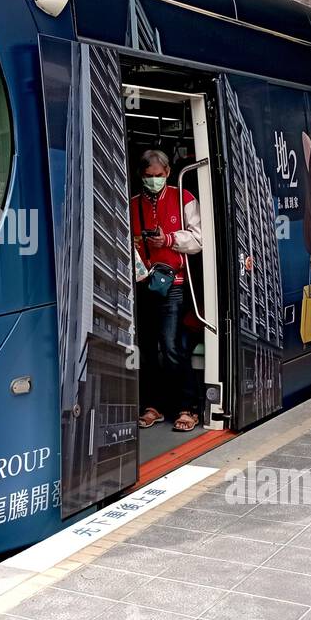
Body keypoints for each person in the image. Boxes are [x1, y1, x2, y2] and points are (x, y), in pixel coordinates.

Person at [131, 149, 204, 433]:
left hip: (174, 283)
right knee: (147, 348)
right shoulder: (132, 204)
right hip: (142, 283)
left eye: (158, 176)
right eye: (148, 177)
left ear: (168, 173)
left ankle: (188, 406)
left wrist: (169, 239)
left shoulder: (183, 198)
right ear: (141, 175)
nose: (153, 181)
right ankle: (154, 406)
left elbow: (199, 240)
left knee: (171, 346)